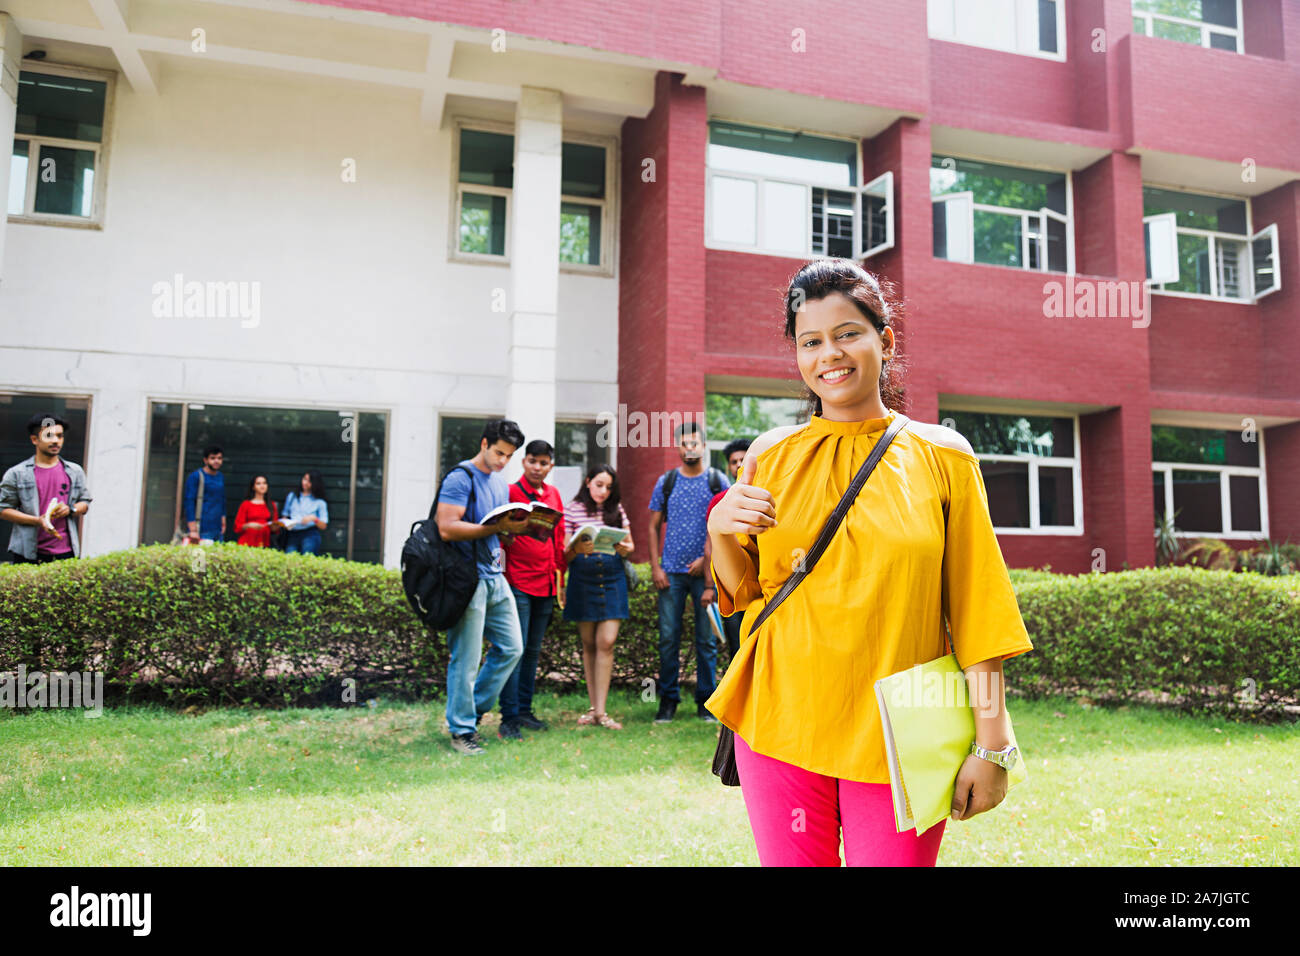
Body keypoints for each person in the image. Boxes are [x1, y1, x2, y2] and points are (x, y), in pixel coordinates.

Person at [706, 258, 1034, 867]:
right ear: (798, 355)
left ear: (885, 340)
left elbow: (978, 609)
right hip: (781, 710)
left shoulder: (943, 456)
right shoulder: (770, 454)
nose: (829, 354)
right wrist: (719, 530)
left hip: (904, 722)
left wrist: (992, 745)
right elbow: (745, 593)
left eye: (847, 333)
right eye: (811, 341)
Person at [435, 419, 532, 755]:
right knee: (467, 657)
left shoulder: (499, 483)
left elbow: (492, 527)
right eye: (499, 453)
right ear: (484, 443)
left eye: (509, 456)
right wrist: (491, 530)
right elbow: (446, 527)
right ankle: (461, 731)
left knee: (512, 648)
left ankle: (468, 714)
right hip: (466, 579)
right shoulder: (460, 478)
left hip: (495, 576)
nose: (503, 461)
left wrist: (513, 529)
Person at [647, 421, 730, 723]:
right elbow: (653, 526)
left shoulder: (717, 480)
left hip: (705, 576)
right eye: (685, 443)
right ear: (679, 447)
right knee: (668, 638)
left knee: (706, 640)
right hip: (670, 573)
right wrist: (656, 566)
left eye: (696, 443)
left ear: (704, 447)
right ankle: (668, 701)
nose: (691, 448)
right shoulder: (666, 482)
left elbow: (724, 528)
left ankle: (705, 702)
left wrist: (705, 562)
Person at [496, 439, 567, 739]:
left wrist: (561, 575)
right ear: (524, 462)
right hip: (519, 582)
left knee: (533, 651)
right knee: (516, 649)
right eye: (533, 461)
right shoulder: (511, 492)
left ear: (551, 466)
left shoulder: (554, 494)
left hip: (546, 583)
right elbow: (499, 533)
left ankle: (524, 710)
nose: (538, 467)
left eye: (544, 463)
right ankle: (508, 716)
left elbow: (560, 537)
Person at [562, 464, 635, 729]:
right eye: (599, 485)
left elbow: (630, 548)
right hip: (583, 579)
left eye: (608, 487)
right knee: (589, 644)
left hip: (613, 577)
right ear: (588, 482)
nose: (603, 491)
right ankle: (594, 710)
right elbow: (565, 553)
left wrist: (620, 546)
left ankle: (602, 712)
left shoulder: (617, 510)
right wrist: (578, 548)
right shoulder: (571, 509)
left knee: (607, 641)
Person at [1, 413, 93, 564]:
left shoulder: (74, 471)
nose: (56, 441)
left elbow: (85, 501)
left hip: (66, 551)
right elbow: (3, 509)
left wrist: (71, 509)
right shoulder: (17, 473)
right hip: (27, 552)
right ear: (34, 439)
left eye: (59, 436)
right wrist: (38, 521)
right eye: (49, 435)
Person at [703, 438, 752, 661]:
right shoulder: (718, 501)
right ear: (729, 467)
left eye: (743, 459)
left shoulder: (767, 494)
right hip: (730, 583)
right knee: (736, 645)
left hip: (760, 582)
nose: (738, 464)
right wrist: (709, 586)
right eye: (734, 461)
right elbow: (710, 545)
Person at [182, 445, 226, 544]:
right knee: (200, 559)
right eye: (213, 458)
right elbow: (189, 502)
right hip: (201, 527)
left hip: (217, 528)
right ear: (205, 460)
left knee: (216, 558)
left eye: (219, 458)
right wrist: (193, 529)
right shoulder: (196, 476)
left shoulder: (220, 476)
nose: (216, 461)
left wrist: (223, 520)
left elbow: (222, 499)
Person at [282, 470, 328, 554]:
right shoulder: (292, 496)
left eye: (309, 481)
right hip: (293, 533)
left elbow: (323, 525)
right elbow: (285, 515)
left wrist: (313, 518)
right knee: (289, 559)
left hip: (309, 533)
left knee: (307, 559)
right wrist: (285, 523)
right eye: (304, 479)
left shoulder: (319, 502)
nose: (305, 483)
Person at [234, 475, 280, 548]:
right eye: (258, 483)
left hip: (264, 541)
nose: (262, 486)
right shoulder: (246, 504)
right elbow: (237, 526)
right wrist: (249, 525)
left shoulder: (271, 505)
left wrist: (276, 526)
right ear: (253, 487)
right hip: (247, 542)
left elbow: (275, 527)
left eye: (264, 483)